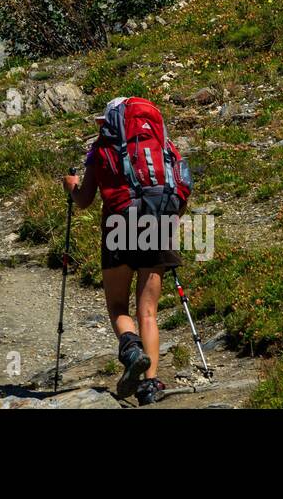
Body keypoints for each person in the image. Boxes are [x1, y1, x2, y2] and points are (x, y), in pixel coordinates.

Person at [62, 96, 190, 406]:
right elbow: (181, 190)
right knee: (148, 312)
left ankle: (131, 350)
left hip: (119, 223)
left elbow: (85, 200)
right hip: (158, 220)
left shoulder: (101, 149)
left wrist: (70, 187)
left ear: (111, 122)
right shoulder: (162, 147)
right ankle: (150, 385)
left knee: (118, 305)